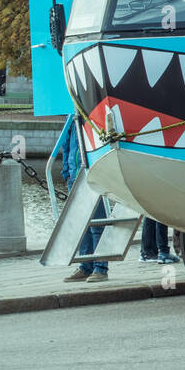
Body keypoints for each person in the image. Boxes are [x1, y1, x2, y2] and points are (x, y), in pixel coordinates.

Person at [54, 114, 109, 283]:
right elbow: (66, 144)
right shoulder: (71, 116)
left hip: (93, 174)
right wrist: (67, 172)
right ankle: (86, 266)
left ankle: (101, 268)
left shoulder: (93, 112)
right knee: (81, 225)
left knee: (97, 223)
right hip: (75, 176)